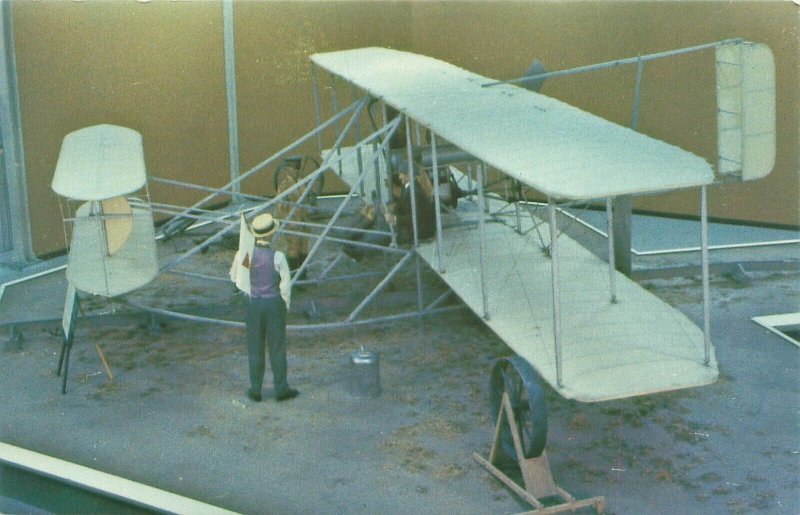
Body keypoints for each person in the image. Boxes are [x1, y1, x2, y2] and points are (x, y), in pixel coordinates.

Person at [229, 213, 299, 403]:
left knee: (255, 347)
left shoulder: (245, 256)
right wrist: (285, 305)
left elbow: (235, 277)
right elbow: (285, 286)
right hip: (273, 303)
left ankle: (255, 389)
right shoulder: (278, 257)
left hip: (253, 303)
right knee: (277, 347)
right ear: (270, 234)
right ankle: (281, 388)